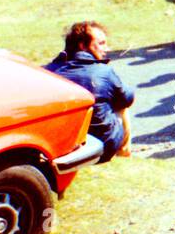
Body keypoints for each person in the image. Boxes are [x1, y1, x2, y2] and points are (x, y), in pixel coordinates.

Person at [44, 21, 136, 164]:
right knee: (120, 105)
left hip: (60, 149)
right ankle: (124, 154)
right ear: (82, 45)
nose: (106, 48)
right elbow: (128, 98)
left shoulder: (46, 71)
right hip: (102, 148)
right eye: (101, 43)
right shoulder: (103, 71)